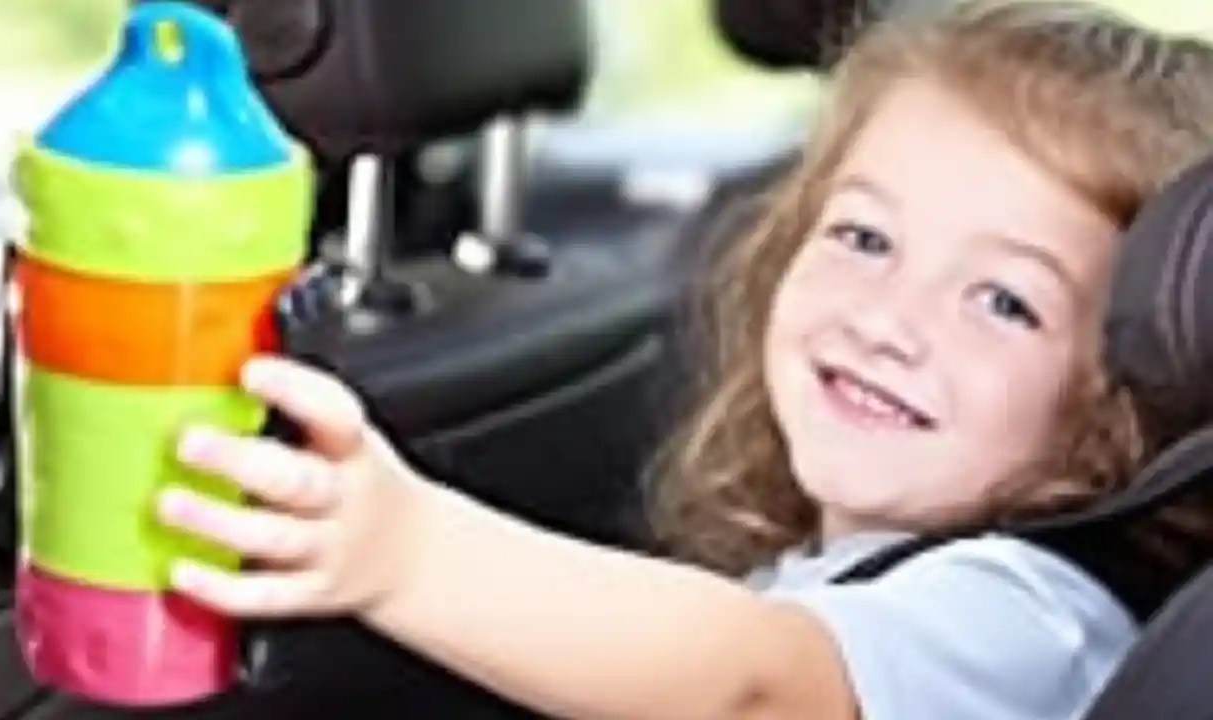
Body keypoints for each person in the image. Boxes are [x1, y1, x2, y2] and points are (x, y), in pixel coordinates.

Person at [153, 3, 1213, 718]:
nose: (888, 318)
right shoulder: (872, 567)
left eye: (1001, 301)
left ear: (1126, 399)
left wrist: (407, 555)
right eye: (862, 237)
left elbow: (745, 682)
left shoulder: (1028, 616)